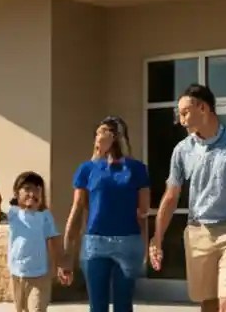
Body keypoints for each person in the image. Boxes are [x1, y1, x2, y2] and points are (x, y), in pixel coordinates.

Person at [149, 84, 226, 312]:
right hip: (198, 233)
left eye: (184, 112)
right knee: (209, 305)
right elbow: (171, 196)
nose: (180, 119)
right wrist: (157, 237)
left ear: (203, 108)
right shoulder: (182, 150)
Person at [59, 116, 150, 312]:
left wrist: (146, 244)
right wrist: (66, 254)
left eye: (107, 132)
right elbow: (76, 209)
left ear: (119, 136)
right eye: (98, 133)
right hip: (95, 243)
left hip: (128, 242)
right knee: (97, 306)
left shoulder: (137, 169)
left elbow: (143, 211)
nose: (101, 137)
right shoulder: (87, 169)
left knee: (123, 305)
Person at [5, 171, 63, 312]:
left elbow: (54, 239)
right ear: (17, 193)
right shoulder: (13, 213)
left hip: (39, 275)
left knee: (37, 308)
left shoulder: (44, 216)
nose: (32, 194)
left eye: (37, 189)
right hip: (16, 274)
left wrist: (60, 264)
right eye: (27, 189)